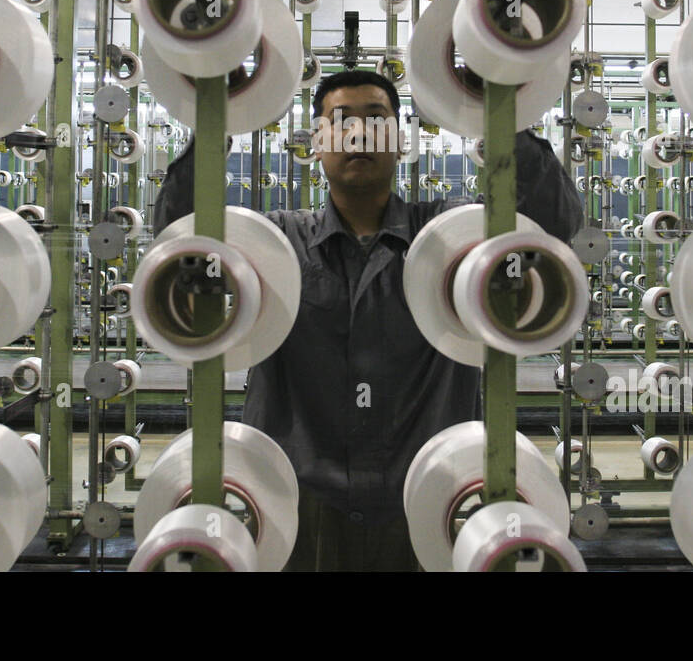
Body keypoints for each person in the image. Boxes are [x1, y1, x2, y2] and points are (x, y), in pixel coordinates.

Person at [151, 68, 584, 570]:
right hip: (295, 503)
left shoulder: (451, 234)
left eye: (376, 121)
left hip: (426, 501)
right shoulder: (276, 243)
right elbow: (177, 243)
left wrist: (500, 111)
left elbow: (552, 228)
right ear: (316, 142)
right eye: (340, 122)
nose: (358, 133)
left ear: (400, 142)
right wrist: (216, 116)